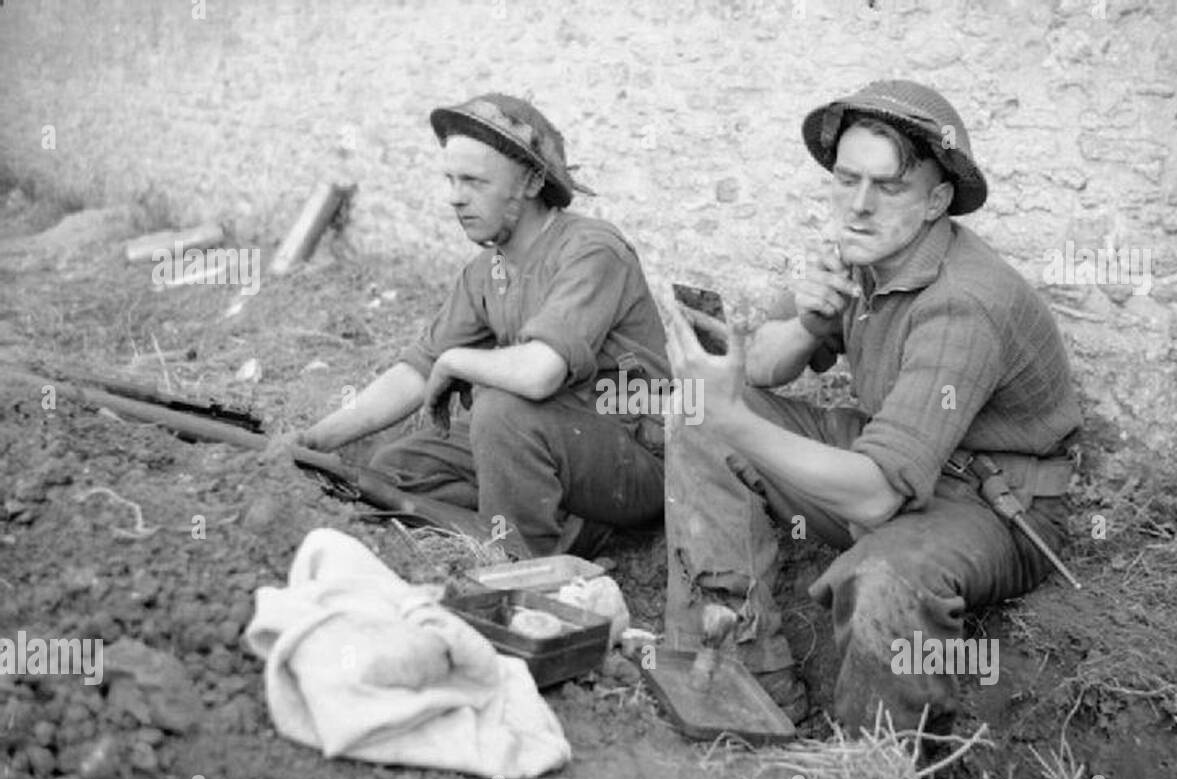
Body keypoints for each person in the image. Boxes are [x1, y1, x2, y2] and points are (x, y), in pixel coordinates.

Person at [657, 80, 1083, 729]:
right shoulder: (871, 255)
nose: (858, 206)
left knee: (885, 577)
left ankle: (871, 767)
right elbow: (764, 368)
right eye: (845, 179)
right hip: (901, 455)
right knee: (699, 412)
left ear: (938, 200)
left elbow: (877, 497)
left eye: (887, 186)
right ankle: (748, 671)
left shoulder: (964, 301)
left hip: (994, 503)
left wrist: (736, 422)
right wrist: (805, 325)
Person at [298, 93, 669, 558]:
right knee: (394, 469)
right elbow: (415, 372)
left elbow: (539, 373)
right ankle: (522, 525)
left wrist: (458, 361)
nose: (455, 196)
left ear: (532, 181)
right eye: (451, 179)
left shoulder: (592, 250)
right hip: (549, 442)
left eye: (473, 181)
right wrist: (313, 442)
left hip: (631, 456)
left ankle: (520, 562)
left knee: (499, 411)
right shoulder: (486, 271)